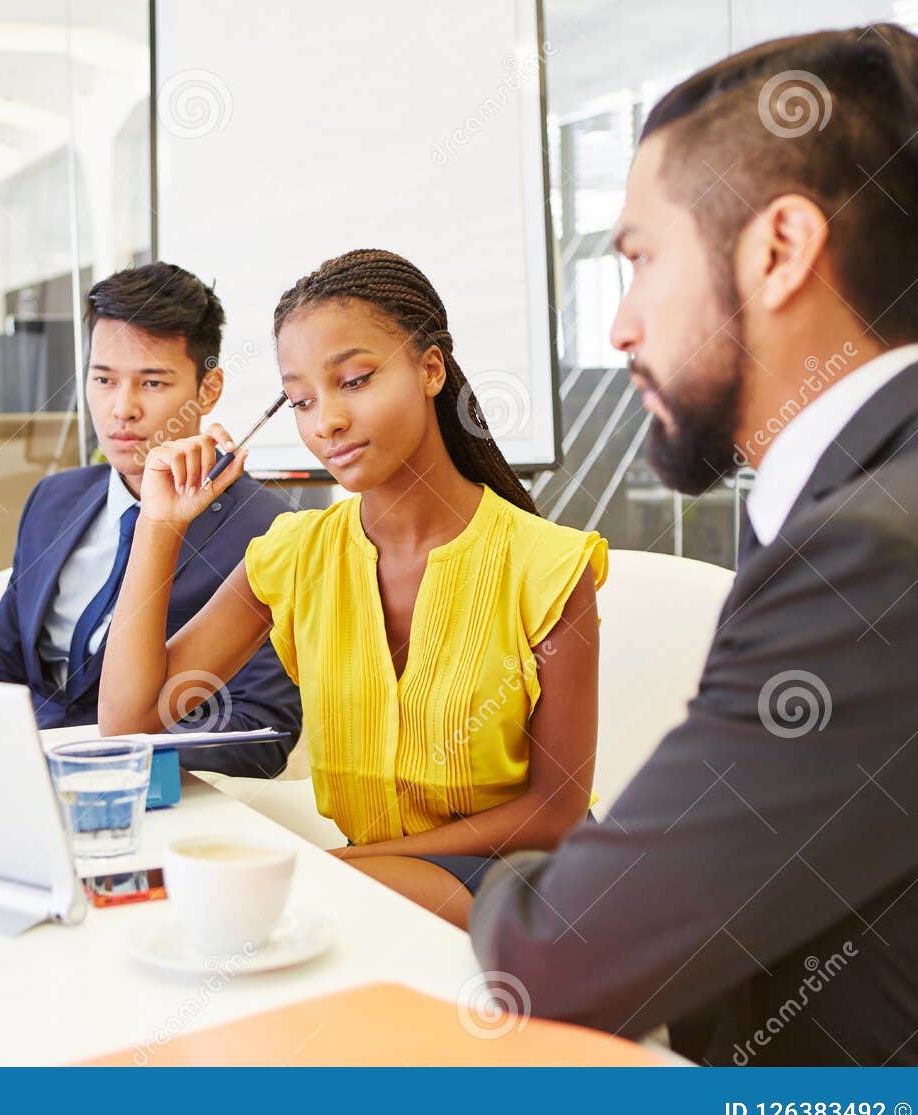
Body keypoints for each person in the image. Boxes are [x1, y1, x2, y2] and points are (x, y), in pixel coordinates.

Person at [469, 24, 918, 1064]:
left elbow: (555, 955)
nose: (620, 327)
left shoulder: (879, 557)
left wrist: (525, 868)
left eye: (642, 259)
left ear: (778, 251)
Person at [98, 249, 607, 927]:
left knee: (261, 909)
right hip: (368, 885)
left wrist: (338, 869)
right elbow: (128, 723)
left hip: (536, 888)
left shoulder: (549, 566)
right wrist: (159, 526)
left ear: (431, 370)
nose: (326, 421)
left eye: (356, 380)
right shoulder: (297, 555)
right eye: (302, 400)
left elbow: (556, 811)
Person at [0, 262, 300, 779]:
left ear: (209, 390)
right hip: (9, 771)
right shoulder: (54, 500)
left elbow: (260, 732)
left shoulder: (269, 533)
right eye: (103, 379)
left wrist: (98, 758)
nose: (122, 408)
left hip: (143, 788)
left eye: (152, 382)